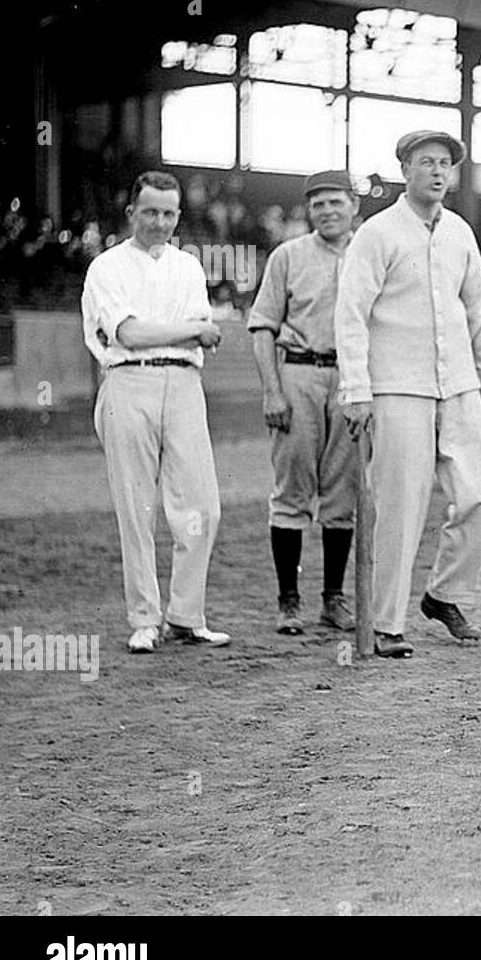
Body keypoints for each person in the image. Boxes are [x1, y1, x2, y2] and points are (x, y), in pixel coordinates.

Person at [334, 130, 481, 659]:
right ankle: (386, 625)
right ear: (404, 170)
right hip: (396, 386)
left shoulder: (458, 232)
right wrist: (356, 388)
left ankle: (444, 594)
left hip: (457, 384)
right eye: (425, 162)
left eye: (444, 164)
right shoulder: (376, 234)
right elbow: (351, 314)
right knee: (401, 506)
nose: (436, 172)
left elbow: (479, 309)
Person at [81, 170, 229, 654]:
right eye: (150, 212)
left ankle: (186, 616)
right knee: (137, 505)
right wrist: (185, 330)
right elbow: (128, 334)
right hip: (130, 380)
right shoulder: (106, 266)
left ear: (178, 215)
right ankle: (145, 618)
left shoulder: (188, 266)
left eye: (168, 213)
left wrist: (178, 331)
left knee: (201, 506)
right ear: (131, 213)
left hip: (184, 383)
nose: (159, 222)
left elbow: (203, 329)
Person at [247, 170, 361, 636]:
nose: (328, 211)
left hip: (353, 378)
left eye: (336, 202)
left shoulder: (371, 253)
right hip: (298, 371)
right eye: (318, 204)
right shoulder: (288, 255)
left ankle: (333, 600)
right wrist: (272, 391)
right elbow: (262, 327)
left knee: (342, 493)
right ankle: (288, 602)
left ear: (354, 205)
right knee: (292, 490)